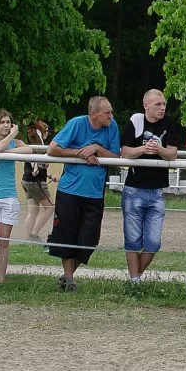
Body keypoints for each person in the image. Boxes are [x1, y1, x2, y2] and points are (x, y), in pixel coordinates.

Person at [46, 97, 122, 292]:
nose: (111, 116)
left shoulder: (111, 127)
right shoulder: (77, 123)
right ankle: (70, 280)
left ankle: (66, 276)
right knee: (67, 235)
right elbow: (53, 148)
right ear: (94, 113)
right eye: (107, 112)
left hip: (95, 194)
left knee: (88, 240)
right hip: (69, 190)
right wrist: (80, 153)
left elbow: (115, 157)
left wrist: (97, 148)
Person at [119, 89, 181, 284]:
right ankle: (135, 281)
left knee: (153, 243)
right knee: (132, 240)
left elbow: (172, 154)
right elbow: (125, 152)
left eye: (163, 104)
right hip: (133, 190)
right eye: (158, 104)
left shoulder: (169, 123)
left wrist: (159, 149)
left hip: (157, 191)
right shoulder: (135, 121)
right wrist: (143, 149)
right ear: (146, 106)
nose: (162, 108)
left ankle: (135, 277)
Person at [0, 110, 33, 284]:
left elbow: (29, 150)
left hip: (9, 196)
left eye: (8, 122)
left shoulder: (16, 142)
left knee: (3, 241)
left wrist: (11, 146)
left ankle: (1, 281)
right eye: (2, 122)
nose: (6, 125)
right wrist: (11, 137)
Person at [22, 121, 55, 241]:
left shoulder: (33, 146)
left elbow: (37, 166)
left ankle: (26, 237)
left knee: (34, 211)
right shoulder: (37, 147)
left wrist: (50, 176)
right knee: (50, 207)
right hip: (36, 182)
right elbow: (42, 164)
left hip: (27, 180)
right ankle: (33, 234)